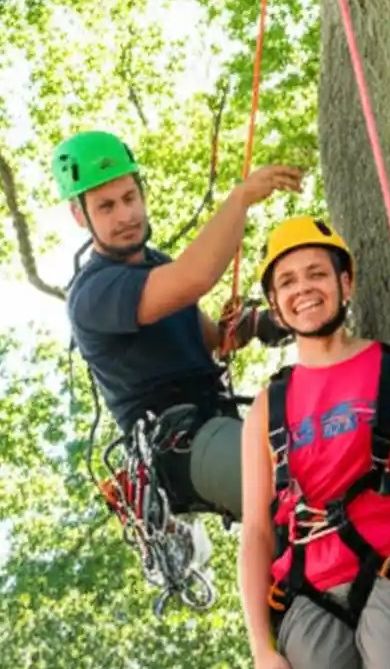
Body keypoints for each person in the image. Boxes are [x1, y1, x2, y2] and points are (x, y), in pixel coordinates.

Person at [239, 216, 390, 669]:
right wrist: (262, 649)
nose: (305, 289)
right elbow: (256, 530)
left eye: (317, 273)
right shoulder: (266, 406)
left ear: (345, 282)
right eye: (288, 282)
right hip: (305, 592)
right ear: (275, 306)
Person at [58, 129, 298, 523]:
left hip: (214, 421)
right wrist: (240, 199)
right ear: (79, 215)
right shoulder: (92, 293)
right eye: (106, 207)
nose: (125, 216)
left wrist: (259, 322)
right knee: (289, 483)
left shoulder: (158, 266)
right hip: (176, 445)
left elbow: (215, 340)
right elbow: (194, 277)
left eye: (130, 198)